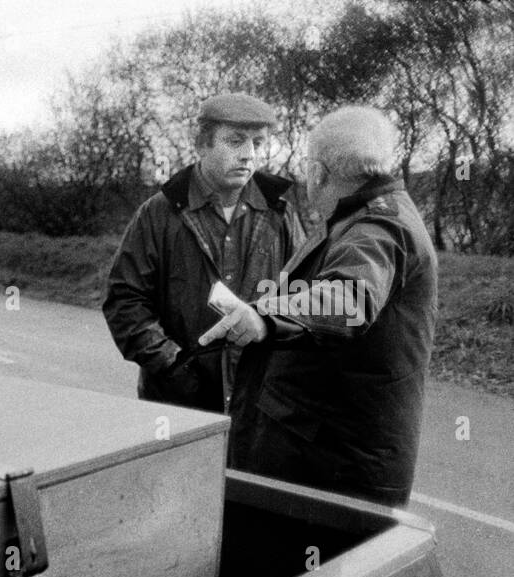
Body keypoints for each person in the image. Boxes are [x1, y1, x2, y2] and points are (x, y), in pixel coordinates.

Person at [199, 105, 438, 507]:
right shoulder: (356, 217)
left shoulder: (378, 227)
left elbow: (349, 297)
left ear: (319, 173)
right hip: (328, 460)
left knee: (305, 569)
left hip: (334, 475)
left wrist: (265, 317)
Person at [103, 93, 305, 413]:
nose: (249, 155)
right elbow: (125, 301)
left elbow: (302, 297)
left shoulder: (279, 214)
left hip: (259, 403)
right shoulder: (159, 213)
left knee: (245, 467)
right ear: (202, 145)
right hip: (178, 406)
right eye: (235, 141)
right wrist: (174, 366)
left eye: (257, 143)